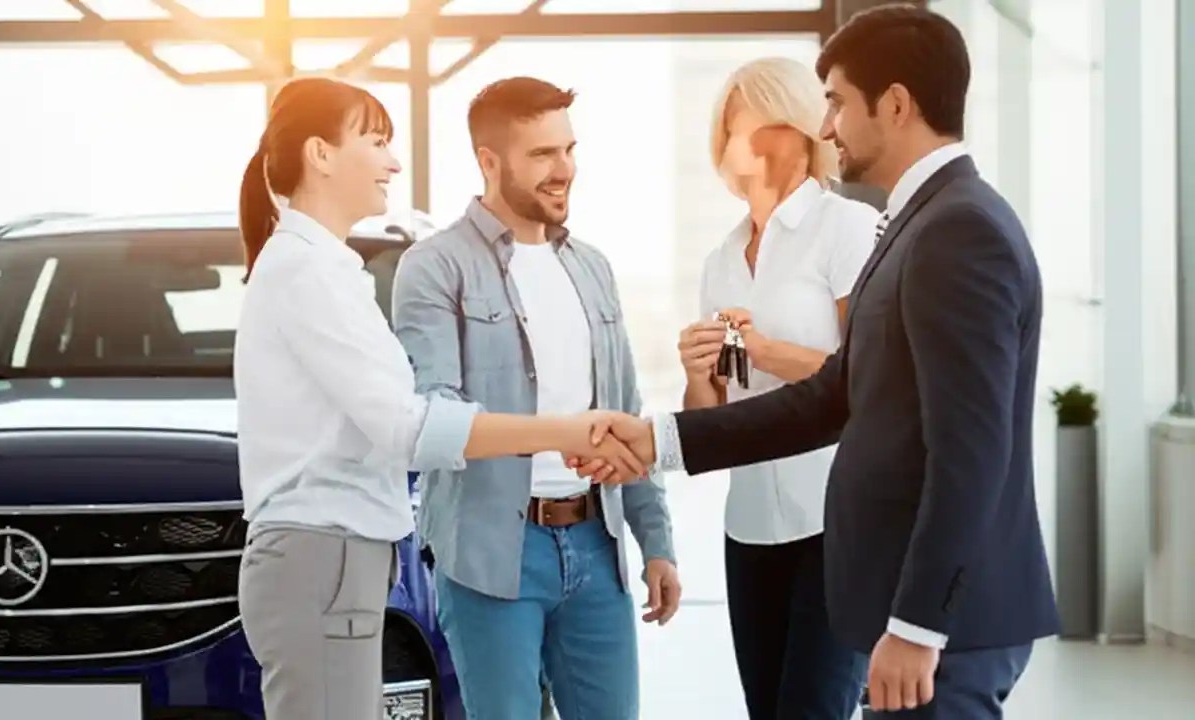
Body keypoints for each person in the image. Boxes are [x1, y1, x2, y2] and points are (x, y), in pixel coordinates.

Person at [571, 6, 1060, 718]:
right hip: (905, 599)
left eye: (836, 103)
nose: (827, 126)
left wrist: (919, 625)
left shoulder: (957, 232)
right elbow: (838, 393)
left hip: (947, 620)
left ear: (894, 105)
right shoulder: (925, 222)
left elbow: (972, 451)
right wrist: (661, 439)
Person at [231, 76, 647, 720]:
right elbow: (410, 425)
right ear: (320, 154)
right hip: (324, 553)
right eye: (375, 141)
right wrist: (563, 432)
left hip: (339, 556)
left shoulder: (325, 269)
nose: (394, 161)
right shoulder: (308, 272)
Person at [391, 76, 679, 720]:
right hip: (492, 552)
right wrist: (564, 433)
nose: (564, 170)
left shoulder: (592, 267)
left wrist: (655, 540)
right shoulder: (435, 268)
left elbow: (626, 412)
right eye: (543, 155)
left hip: (596, 547)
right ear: (489, 162)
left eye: (569, 149)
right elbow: (436, 417)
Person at [680, 56, 877, 719]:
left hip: (837, 521)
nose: (743, 150)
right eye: (732, 132)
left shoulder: (845, 229)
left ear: (801, 132)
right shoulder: (721, 260)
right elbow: (718, 412)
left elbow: (871, 379)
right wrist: (696, 373)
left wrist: (763, 347)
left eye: (759, 128)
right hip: (751, 528)